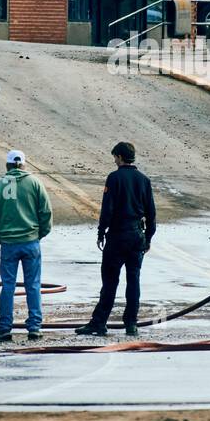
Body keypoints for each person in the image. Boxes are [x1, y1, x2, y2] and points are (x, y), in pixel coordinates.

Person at [77, 141, 156, 337]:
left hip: (118, 236)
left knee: (110, 282)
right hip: (137, 236)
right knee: (133, 281)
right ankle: (131, 324)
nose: (114, 160)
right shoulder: (144, 180)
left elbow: (107, 209)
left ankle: (99, 322)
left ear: (120, 157)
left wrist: (101, 232)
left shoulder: (114, 178)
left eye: (115, 157)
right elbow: (152, 213)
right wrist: (148, 238)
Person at [0, 149, 52, 343]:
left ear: (7, 166)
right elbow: (46, 211)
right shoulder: (35, 183)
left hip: (8, 244)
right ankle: (34, 327)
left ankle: (5, 328)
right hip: (31, 242)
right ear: (23, 165)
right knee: (33, 286)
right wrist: (40, 233)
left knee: (8, 286)